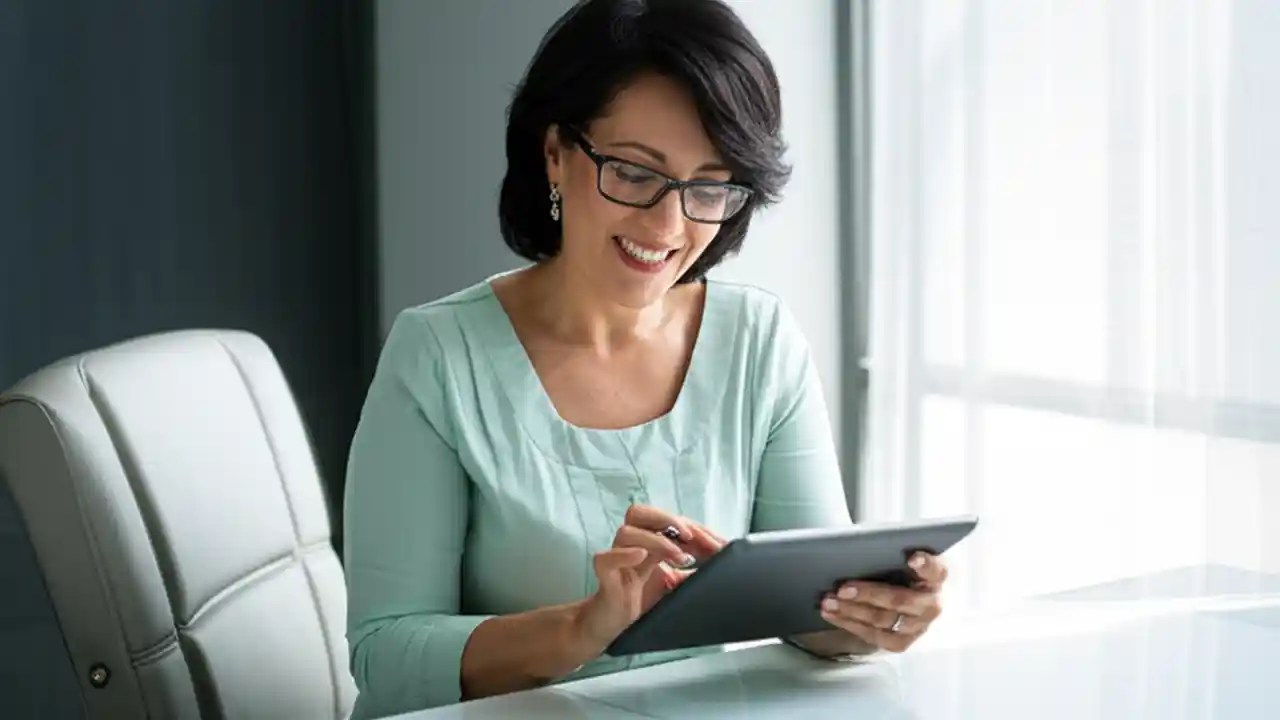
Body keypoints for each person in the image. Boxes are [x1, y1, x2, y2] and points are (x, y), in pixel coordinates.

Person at [342, 0, 948, 716]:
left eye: (710, 186)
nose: (669, 226)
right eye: (634, 173)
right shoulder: (439, 358)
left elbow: (811, 618)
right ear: (556, 155)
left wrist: (870, 618)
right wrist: (580, 628)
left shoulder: (760, 341)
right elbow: (383, 655)